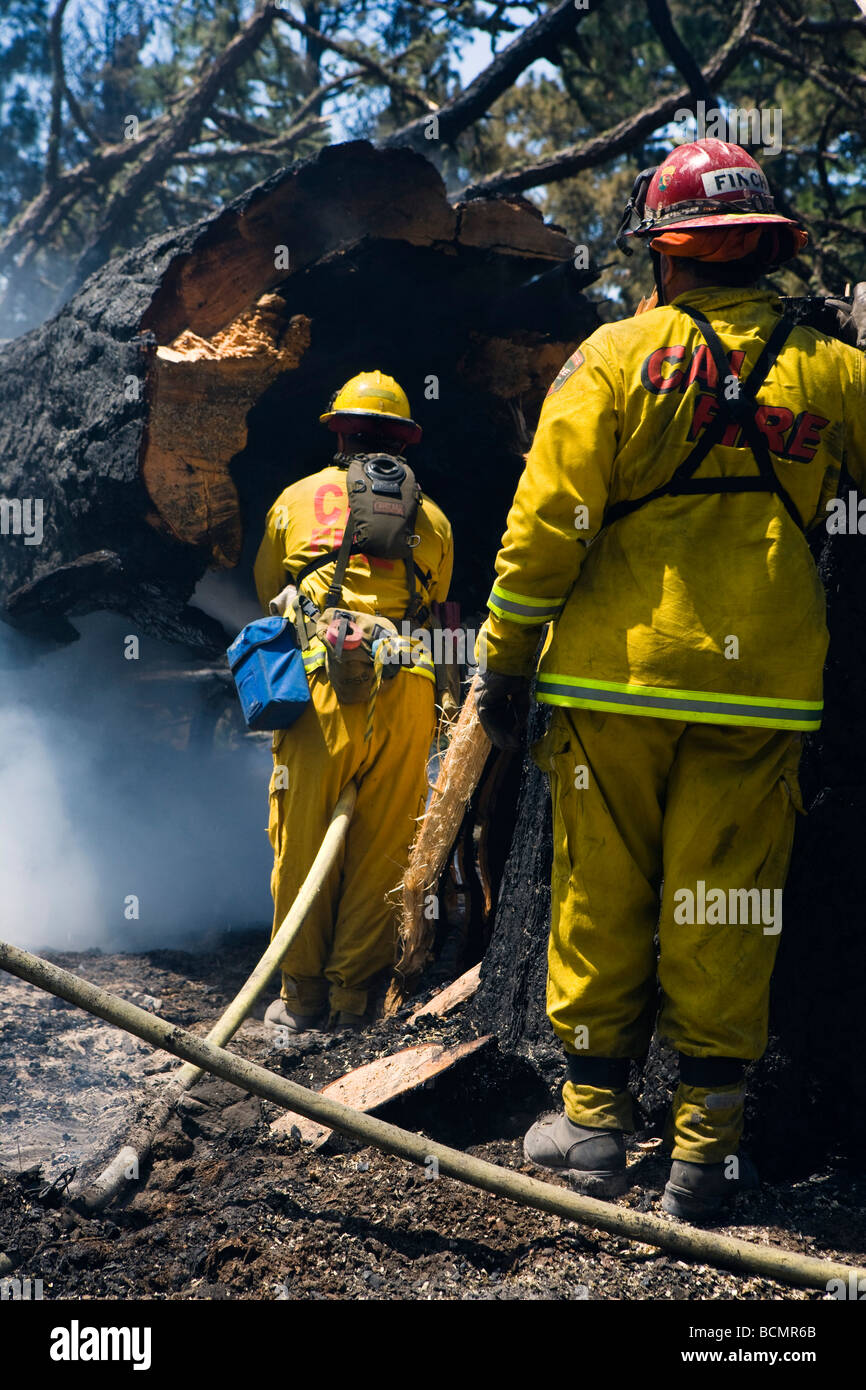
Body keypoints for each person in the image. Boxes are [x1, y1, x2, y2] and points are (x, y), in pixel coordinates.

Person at [474, 139, 866, 1221]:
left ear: (665, 254)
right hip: (760, 698)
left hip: (612, 689)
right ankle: (703, 1156)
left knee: (599, 897)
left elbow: (544, 527)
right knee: (724, 907)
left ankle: (592, 1125)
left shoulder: (611, 358)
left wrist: (502, 665)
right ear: (765, 246)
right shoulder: (833, 370)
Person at [255, 371, 453, 1035]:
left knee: (304, 844)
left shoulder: (295, 499)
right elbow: (432, 600)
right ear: (406, 440)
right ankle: (352, 1004)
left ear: (338, 431)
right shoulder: (437, 521)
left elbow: (267, 590)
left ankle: (302, 1001)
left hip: (324, 691)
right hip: (410, 693)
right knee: (385, 852)